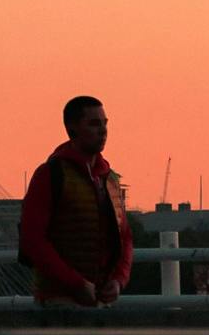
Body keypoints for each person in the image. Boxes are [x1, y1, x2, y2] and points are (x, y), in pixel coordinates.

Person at [18, 95, 133, 309]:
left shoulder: (109, 178)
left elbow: (124, 236)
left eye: (104, 123)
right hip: (59, 299)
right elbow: (33, 240)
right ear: (72, 129)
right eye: (94, 123)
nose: (103, 130)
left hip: (97, 297)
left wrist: (118, 280)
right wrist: (76, 283)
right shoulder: (50, 175)